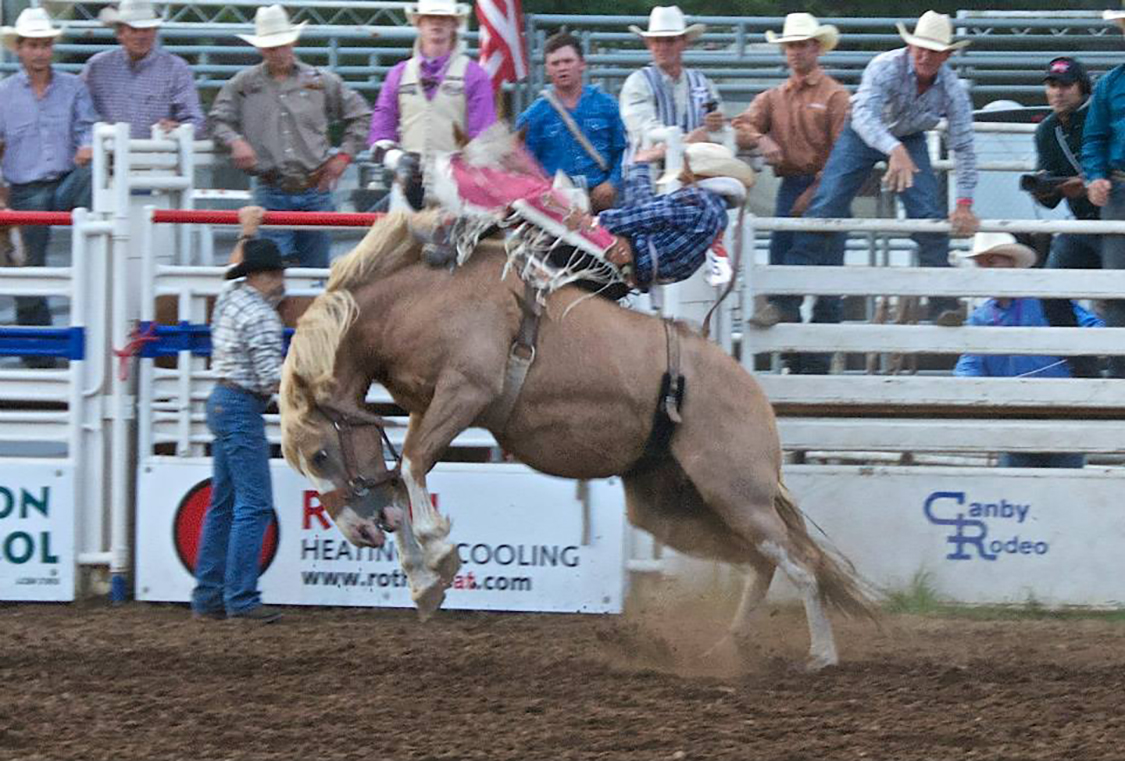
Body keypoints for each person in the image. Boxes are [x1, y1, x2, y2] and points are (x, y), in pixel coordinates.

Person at [773, 11, 980, 373]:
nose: (925, 56)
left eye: (934, 51)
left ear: (946, 56)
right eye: (920, 48)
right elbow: (864, 117)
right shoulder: (885, 66)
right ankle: (786, 295)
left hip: (906, 136)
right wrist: (893, 150)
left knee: (927, 213)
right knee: (826, 204)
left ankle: (943, 300)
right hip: (867, 133)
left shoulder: (952, 90)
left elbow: (964, 144)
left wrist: (964, 202)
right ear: (910, 46)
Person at [209, 4, 370, 268]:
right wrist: (235, 141)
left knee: (314, 271)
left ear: (293, 42)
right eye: (273, 47)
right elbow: (217, 119)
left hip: (314, 187)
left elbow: (360, 115)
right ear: (261, 49)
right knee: (272, 272)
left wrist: (343, 157)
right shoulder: (244, 84)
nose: (280, 52)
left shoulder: (320, 81)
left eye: (284, 44)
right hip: (271, 186)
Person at [192, 205, 286, 623]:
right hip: (241, 406)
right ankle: (241, 599)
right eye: (278, 275)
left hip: (219, 400)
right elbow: (272, 381)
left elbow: (233, 266)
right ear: (266, 277)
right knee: (255, 504)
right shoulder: (263, 317)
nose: (282, 282)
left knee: (224, 502)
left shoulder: (232, 298)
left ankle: (209, 595)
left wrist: (248, 230)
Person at [732, 13, 849, 331]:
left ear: (816, 48)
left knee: (824, 283)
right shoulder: (774, 97)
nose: (795, 51)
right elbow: (741, 125)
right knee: (785, 268)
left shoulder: (835, 96)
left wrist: (815, 192)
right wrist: (760, 138)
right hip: (794, 186)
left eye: (801, 45)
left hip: (828, 188)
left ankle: (814, 362)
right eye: (790, 46)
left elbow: (844, 156)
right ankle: (796, 357)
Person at [953, 232, 1101, 469]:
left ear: (1012, 265)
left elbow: (1094, 329)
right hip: (1014, 415)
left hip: (1060, 411)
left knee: (1049, 487)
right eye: (981, 265)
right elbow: (968, 366)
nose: (985, 271)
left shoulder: (1047, 301)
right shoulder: (980, 318)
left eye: (992, 263)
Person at [0, 7, 96, 367]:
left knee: (95, 179)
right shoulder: (4, 94)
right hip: (25, 192)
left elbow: (88, 125)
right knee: (31, 276)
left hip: (66, 180)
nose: (40, 52)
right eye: (33, 45)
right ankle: (39, 362)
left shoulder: (73, 87)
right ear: (20, 49)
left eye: (44, 45)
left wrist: (87, 143)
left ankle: (103, 251)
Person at [367, 0, 496, 203]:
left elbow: (483, 136)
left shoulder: (474, 75)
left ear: (455, 24)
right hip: (406, 186)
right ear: (419, 23)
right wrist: (399, 160)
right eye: (430, 18)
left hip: (459, 189)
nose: (437, 23)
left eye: (444, 18)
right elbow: (380, 132)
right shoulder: (398, 74)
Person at [594, 142, 753, 291]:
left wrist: (596, 222)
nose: (681, 177)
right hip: (646, 273)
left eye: (687, 170)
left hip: (630, 259)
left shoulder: (697, 200)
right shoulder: (718, 213)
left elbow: (647, 214)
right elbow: (648, 210)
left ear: (701, 174)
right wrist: (640, 166)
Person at [517, 31, 627, 212]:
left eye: (568, 61)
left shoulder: (606, 105)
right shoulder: (534, 116)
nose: (562, 68)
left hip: (602, 199)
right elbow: (524, 165)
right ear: (547, 69)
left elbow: (624, 150)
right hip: (556, 203)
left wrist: (612, 183)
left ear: (582, 64)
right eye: (555, 63)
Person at [81, 0, 206, 139]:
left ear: (155, 32)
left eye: (147, 30)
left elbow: (195, 120)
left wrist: (178, 129)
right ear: (120, 33)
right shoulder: (98, 66)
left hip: (158, 155)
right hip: (108, 154)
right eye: (134, 30)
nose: (141, 36)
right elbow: (80, 112)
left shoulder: (176, 69)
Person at [618, 6, 723, 158]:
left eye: (670, 41)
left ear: (684, 43)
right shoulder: (637, 83)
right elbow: (643, 131)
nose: (662, 47)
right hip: (650, 169)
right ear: (649, 45)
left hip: (699, 166)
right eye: (657, 41)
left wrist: (716, 124)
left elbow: (719, 121)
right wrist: (691, 140)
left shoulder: (702, 82)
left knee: (730, 182)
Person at [1082, 10, 1125, 377]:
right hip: (1119, 188)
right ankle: (1119, 375)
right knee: (1117, 286)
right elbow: (1093, 139)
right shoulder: (1111, 84)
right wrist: (1095, 176)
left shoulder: (1109, 84)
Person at [1028, 57, 1097, 269]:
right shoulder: (1046, 131)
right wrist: (1043, 190)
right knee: (1051, 288)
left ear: (1082, 88)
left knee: (1117, 295)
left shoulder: (1104, 117)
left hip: (1118, 219)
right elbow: (1050, 202)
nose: (1058, 92)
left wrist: (1085, 187)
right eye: (1052, 85)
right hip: (1085, 224)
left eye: (1066, 85)